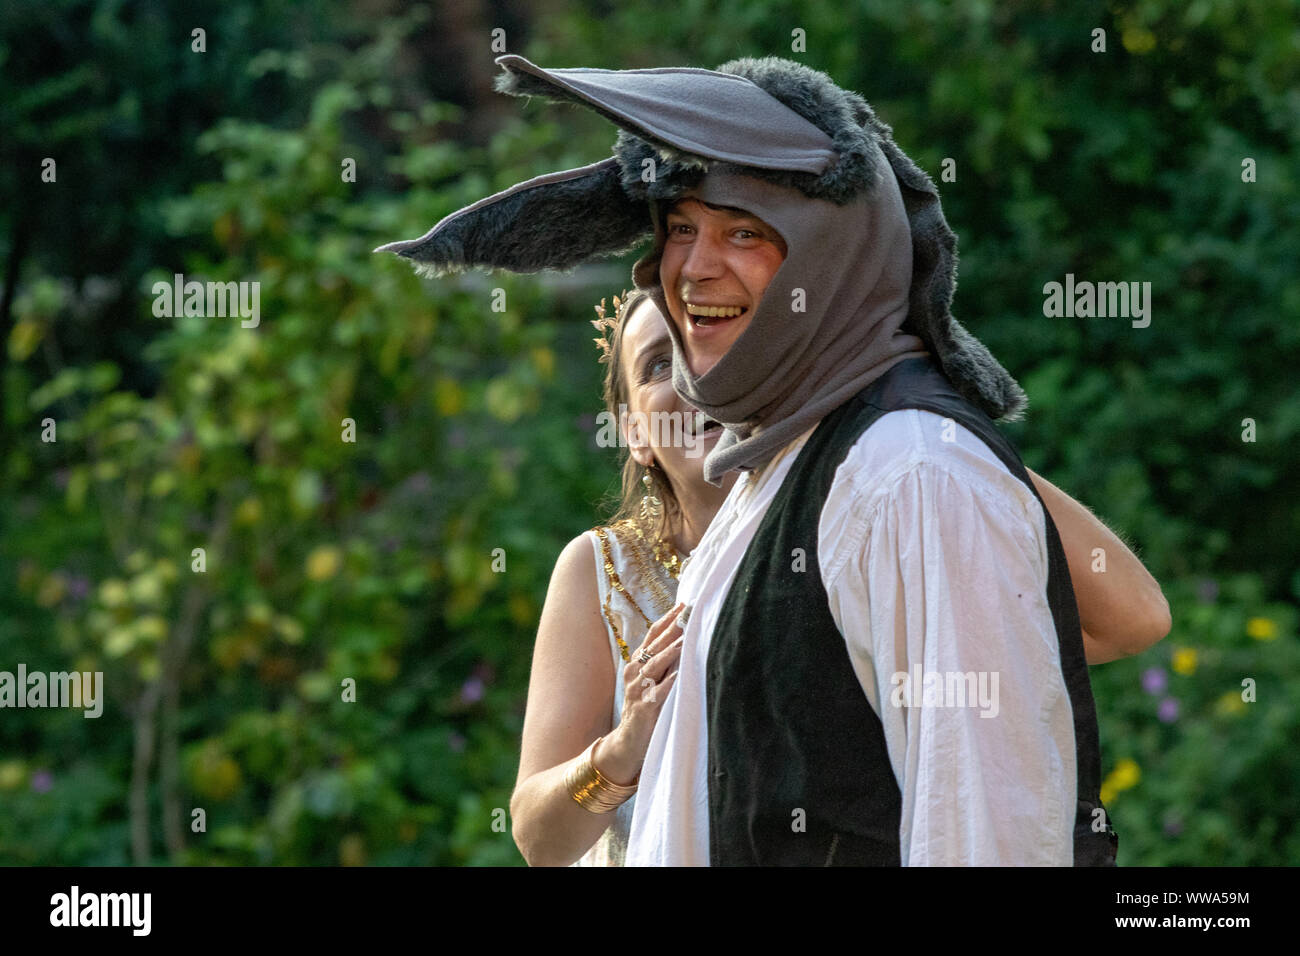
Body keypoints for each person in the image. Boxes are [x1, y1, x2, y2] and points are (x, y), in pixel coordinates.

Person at [377, 54, 1173, 865]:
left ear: (833, 256)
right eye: (682, 228)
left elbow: (987, 828)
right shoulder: (779, 475)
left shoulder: (914, 476)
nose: (695, 268)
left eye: (745, 231)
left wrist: (928, 417)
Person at [507, 289, 1168, 867]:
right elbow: (540, 842)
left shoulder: (884, 503)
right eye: (658, 364)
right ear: (634, 433)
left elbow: (1136, 618)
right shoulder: (602, 571)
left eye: (714, 343)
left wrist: (932, 424)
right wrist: (624, 751)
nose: (691, 377)